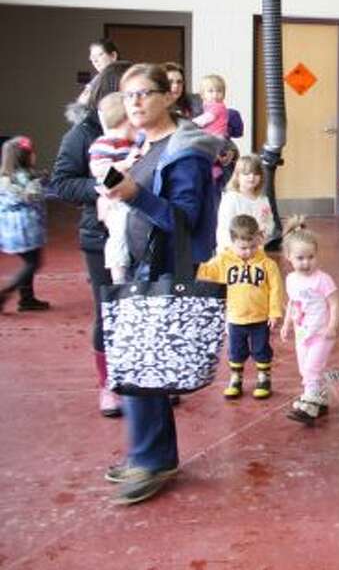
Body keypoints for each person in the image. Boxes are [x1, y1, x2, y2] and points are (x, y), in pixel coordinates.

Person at [98, 62, 223, 505]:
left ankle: (151, 459)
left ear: (169, 96)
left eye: (144, 93)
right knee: (139, 364)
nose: (135, 102)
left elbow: (183, 219)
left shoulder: (184, 152)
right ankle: (149, 453)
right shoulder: (146, 144)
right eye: (128, 95)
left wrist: (135, 195)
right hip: (141, 265)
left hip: (164, 269)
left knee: (142, 366)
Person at [50, 60, 134, 416]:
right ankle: (108, 386)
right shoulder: (83, 133)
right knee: (108, 311)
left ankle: (144, 379)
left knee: (141, 308)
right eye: (132, 93)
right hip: (101, 237)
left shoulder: (144, 131)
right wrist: (106, 187)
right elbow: (63, 182)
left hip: (143, 233)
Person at [197, 214, 284, 400]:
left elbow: (276, 289)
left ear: (259, 240)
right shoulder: (223, 261)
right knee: (236, 351)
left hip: (260, 318)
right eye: (243, 248)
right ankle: (236, 379)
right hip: (235, 318)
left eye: (253, 246)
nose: (248, 251)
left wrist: (274, 312)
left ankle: (264, 378)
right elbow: (205, 271)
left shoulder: (267, 264)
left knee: (261, 350)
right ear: (233, 242)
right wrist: (188, 263)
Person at [279, 216, 339, 425]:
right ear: (289, 257)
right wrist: (287, 323)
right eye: (300, 258)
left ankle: (309, 406)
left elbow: (334, 304)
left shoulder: (322, 279)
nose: (306, 263)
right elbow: (292, 303)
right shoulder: (291, 280)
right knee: (305, 369)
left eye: (311, 257)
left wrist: (332, 326)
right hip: (302, 334)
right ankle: (320, 398)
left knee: (312, 369)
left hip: (321, 334)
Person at [87, 92, 139, 284]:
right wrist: (126, 163)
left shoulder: (131, 143)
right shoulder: (105, 143)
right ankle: (118, 274)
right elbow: (100, 172)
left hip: (128, 198)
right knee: (119, 236)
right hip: (116, 202)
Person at [0, 137, 50, 312]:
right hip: (25, 228)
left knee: (30, 260)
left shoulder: (7, 175)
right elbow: (33, 194)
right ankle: (6, 293)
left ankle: (27, 299)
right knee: (33, 263)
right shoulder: (23, 177)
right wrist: (41, 181)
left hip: (10, 229)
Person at [216, 154, 276, 250]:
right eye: (246, 173)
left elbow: (270, 223)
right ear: (237, 176)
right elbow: (225, 228)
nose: (251, 177)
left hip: (255, 249)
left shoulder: (263, 199)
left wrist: (265, 230)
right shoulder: (231, 198)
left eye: (256, 174)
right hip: (233, 251)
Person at [76, 39, 120, 106]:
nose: (95, 61)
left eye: (99, 55)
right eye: (92, 58)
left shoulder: (119, 77)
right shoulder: (97, 79)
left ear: (113, 56)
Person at [192, 73, 229, 138]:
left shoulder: (218, 106)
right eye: (211, 91)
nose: (215, 94)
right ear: (203, 95)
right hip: (210, 135)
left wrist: (192, 122)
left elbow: (207, 117)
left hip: (216, 136)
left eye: (219, 91)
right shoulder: (207, 104)